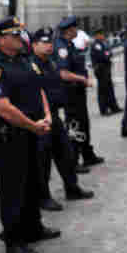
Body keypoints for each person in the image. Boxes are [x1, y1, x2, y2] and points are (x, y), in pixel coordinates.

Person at [0, 17, 59, 253]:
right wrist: (33, 125)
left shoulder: (25, 61)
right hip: (10, 135)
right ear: (1, 39)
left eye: (20, 34)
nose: (21, 39)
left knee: (35, 180)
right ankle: (14, 240)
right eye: (15, 35)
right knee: (13, 188)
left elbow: (39, 89)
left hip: (34, 130)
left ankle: (34, 227)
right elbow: (3, 108)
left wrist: (46, 116)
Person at [31, 27, 95, 211]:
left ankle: (72, 188)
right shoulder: (31, 65)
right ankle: (43, 197)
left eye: (50, 42)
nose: (49, 46)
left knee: (65, 154)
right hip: (41, 119)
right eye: (44, 43)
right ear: (34, 45)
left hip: (55, 116)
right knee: (43, 161)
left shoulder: (50, 62)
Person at [55, 16, 105, 168]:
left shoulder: (69, 44)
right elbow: (63, 73)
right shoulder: (61, 47)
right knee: (74, 125)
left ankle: (87, 154)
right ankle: (73, 160)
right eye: (75, 28)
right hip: (70, 93)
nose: (77, 30)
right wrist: (83, 79)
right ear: (69, 30)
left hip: (78, 92)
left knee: (83, 123)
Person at [90, 27, 121, 116]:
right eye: (101, 34)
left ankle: (113, 107)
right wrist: (107, 54)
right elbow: (103, 56)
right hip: (101, 69)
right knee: (103, 90)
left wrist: (107, 53)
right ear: (97, 35)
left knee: (110, 88)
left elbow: (109, 53)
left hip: (106, 68)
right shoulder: (96, 45)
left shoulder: (103, 43)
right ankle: (104, 109)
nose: (103, 36)